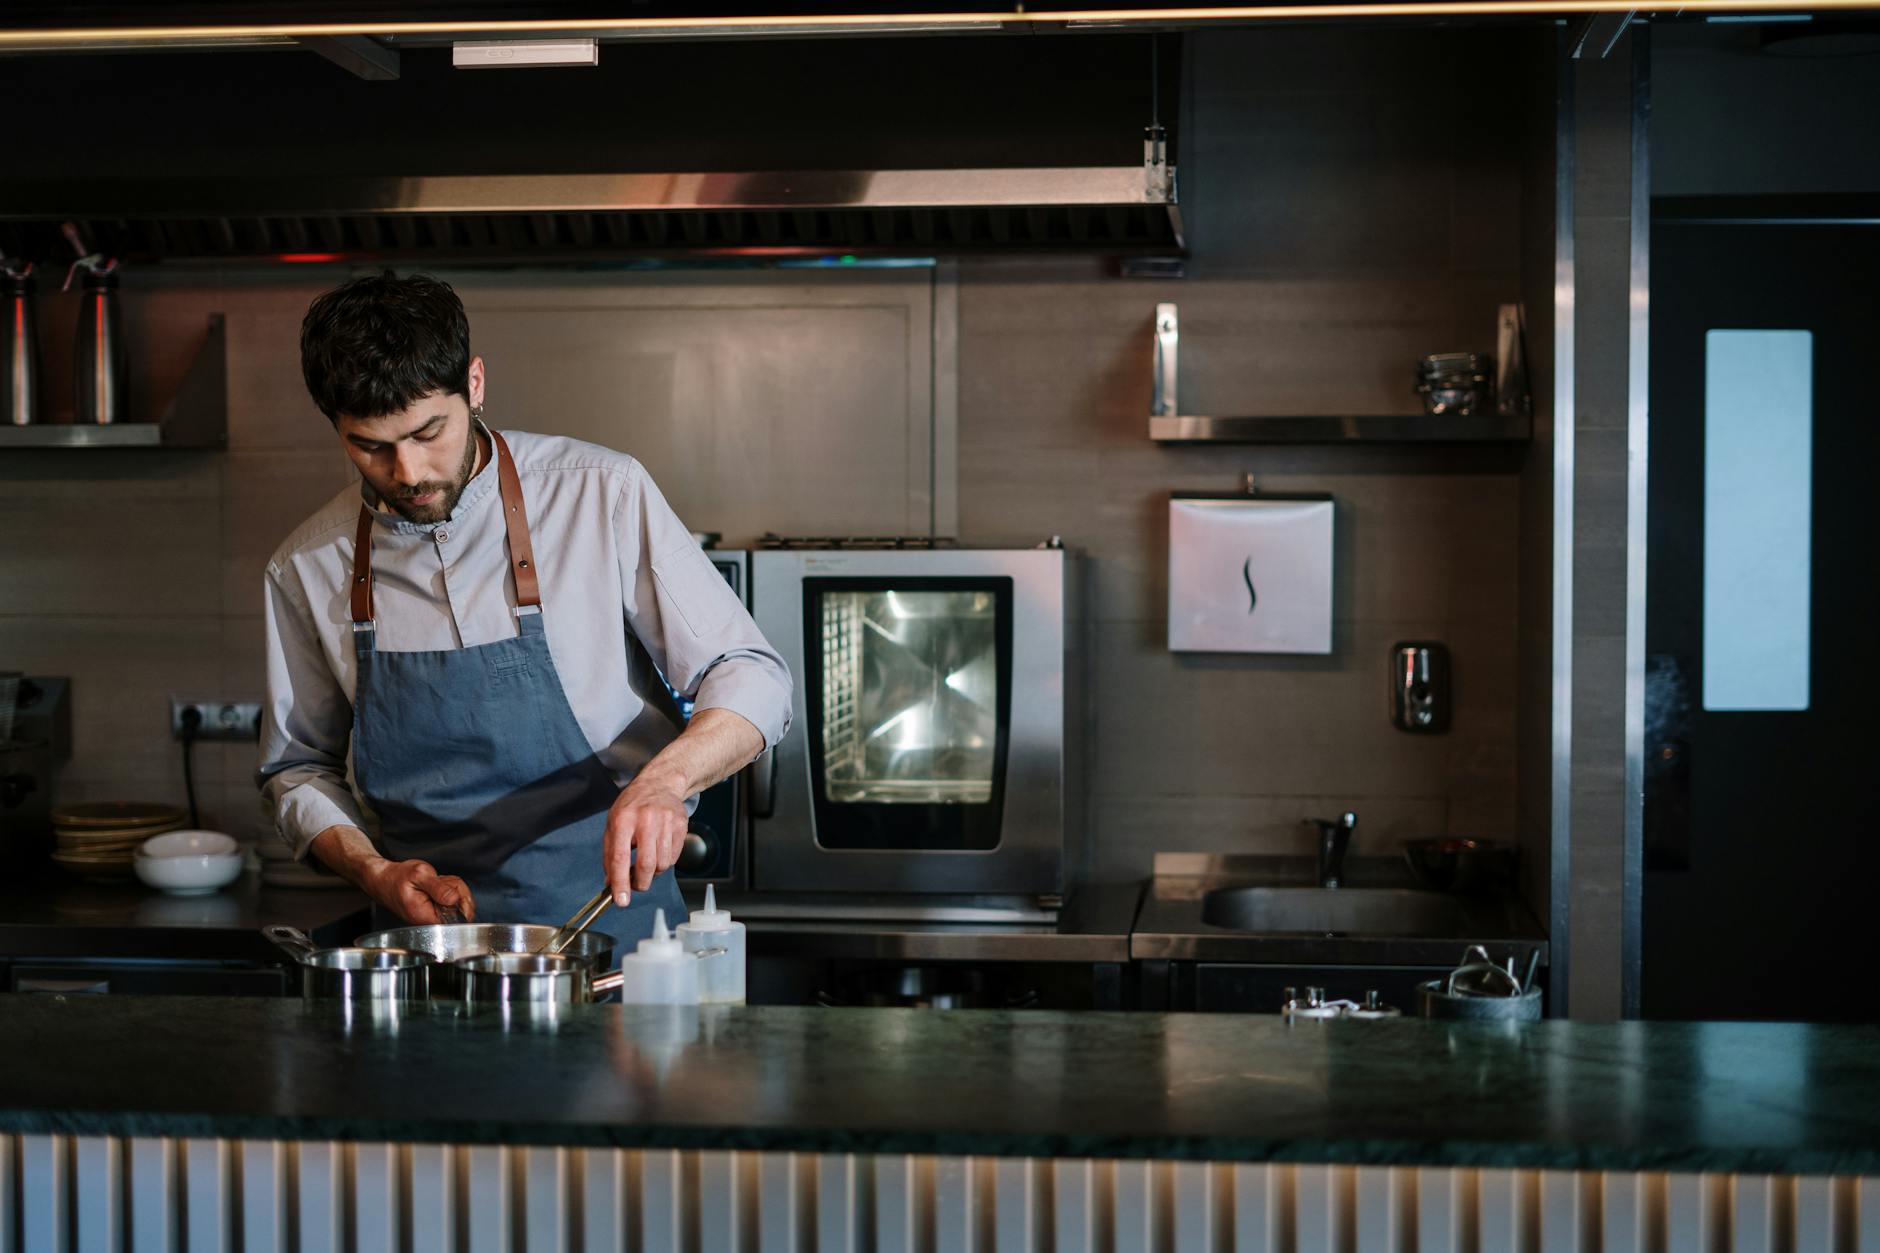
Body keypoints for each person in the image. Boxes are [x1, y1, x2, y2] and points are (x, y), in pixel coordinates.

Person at [256, 271, 791, 946]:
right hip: (426, 958)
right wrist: (371, 871)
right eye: (372, 446)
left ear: (474, 384)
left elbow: (753, 674)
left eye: (430, 431)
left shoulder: (600, 495)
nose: (410, 471)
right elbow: (297, 767)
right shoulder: (306, 565)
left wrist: (666, 779)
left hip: (615, 934)